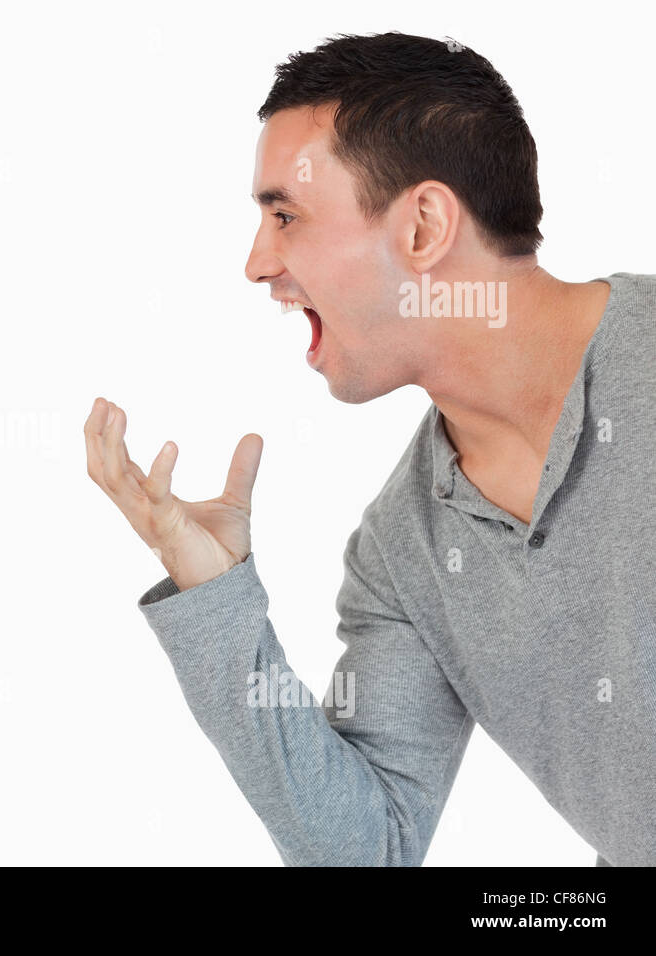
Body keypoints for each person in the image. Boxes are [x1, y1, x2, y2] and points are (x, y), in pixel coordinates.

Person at [84, 32, 654, 865]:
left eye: (286, 215)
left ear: (423, 225)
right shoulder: (406, 551)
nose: (256, 262)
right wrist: (217, 603)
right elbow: (367, 853)